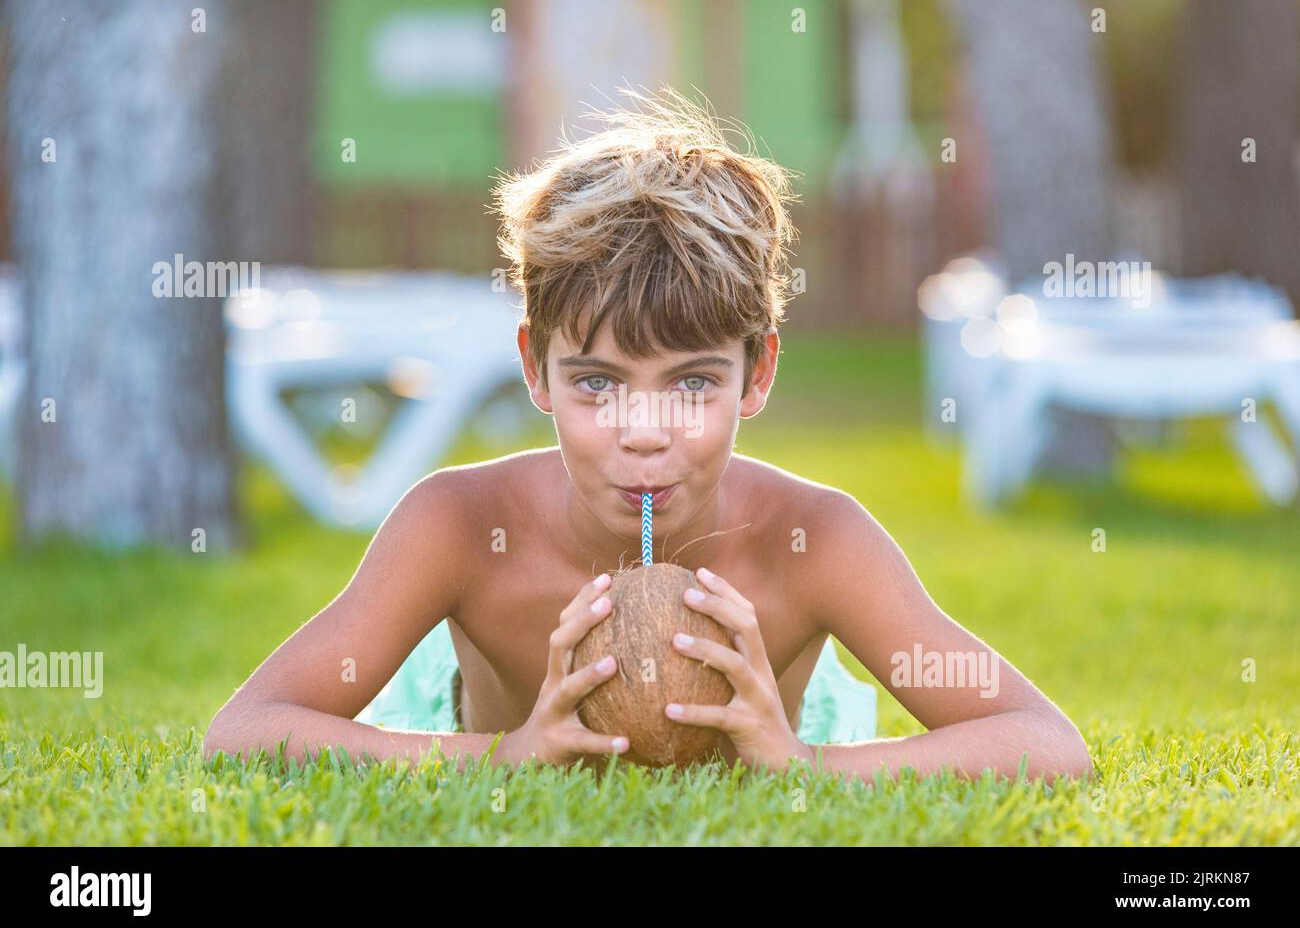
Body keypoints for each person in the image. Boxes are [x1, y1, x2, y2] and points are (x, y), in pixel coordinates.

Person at [204, 87, 1091, 784]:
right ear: (534, 367)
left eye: (692, 382)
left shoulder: (814, 541)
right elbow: (243, 733)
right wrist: (502, 757)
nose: (643, 433)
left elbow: (1047, 743)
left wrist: (803, 767)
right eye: (597, 382)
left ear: (760, 372)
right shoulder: (460, 526)